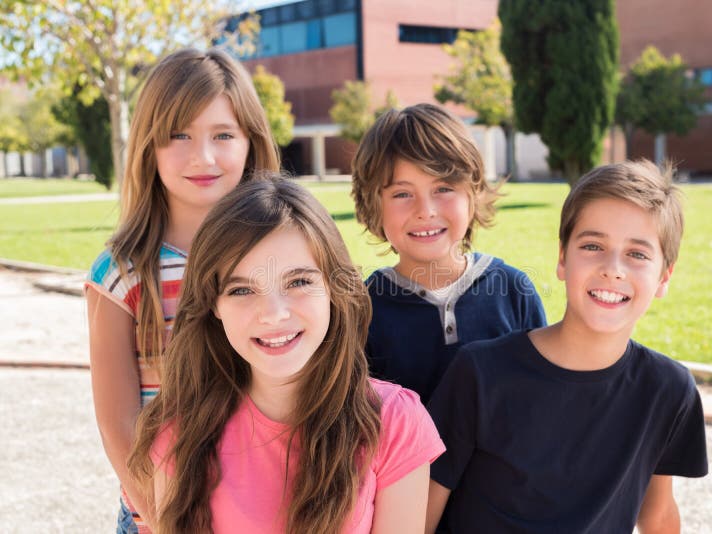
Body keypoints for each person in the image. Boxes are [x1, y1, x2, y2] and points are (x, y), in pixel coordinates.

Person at [127, 178, 445, 533]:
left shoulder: (394, 422)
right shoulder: (178, 430)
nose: (274, 314)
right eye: (242, 289)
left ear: (333, 289)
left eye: (298, 282)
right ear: (213, 304)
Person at [425, 160, 708, 533]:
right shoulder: (480, 374)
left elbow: (656, 515)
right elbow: (421, 514)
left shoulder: (668, 390)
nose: (613, 268)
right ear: (562, 258)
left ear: (664, 276)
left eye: (637, 254)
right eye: (593, 245)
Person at [85, 48, 280, 533]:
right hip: (167, 510)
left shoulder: (284, 254)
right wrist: (163, 515)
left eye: (223, 135)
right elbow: (118, 422)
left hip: (276, 502)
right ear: (149, 145)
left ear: (250, 142)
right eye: (179, 135)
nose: (203, 156)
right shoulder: (121, 273)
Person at [351, 103, 547, 404]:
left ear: (473, 192)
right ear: (373, 205)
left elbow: (544, 400)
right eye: (402, 194)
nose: (425, 211)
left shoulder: (513, 292)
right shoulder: (363, 313)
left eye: (443, 188)